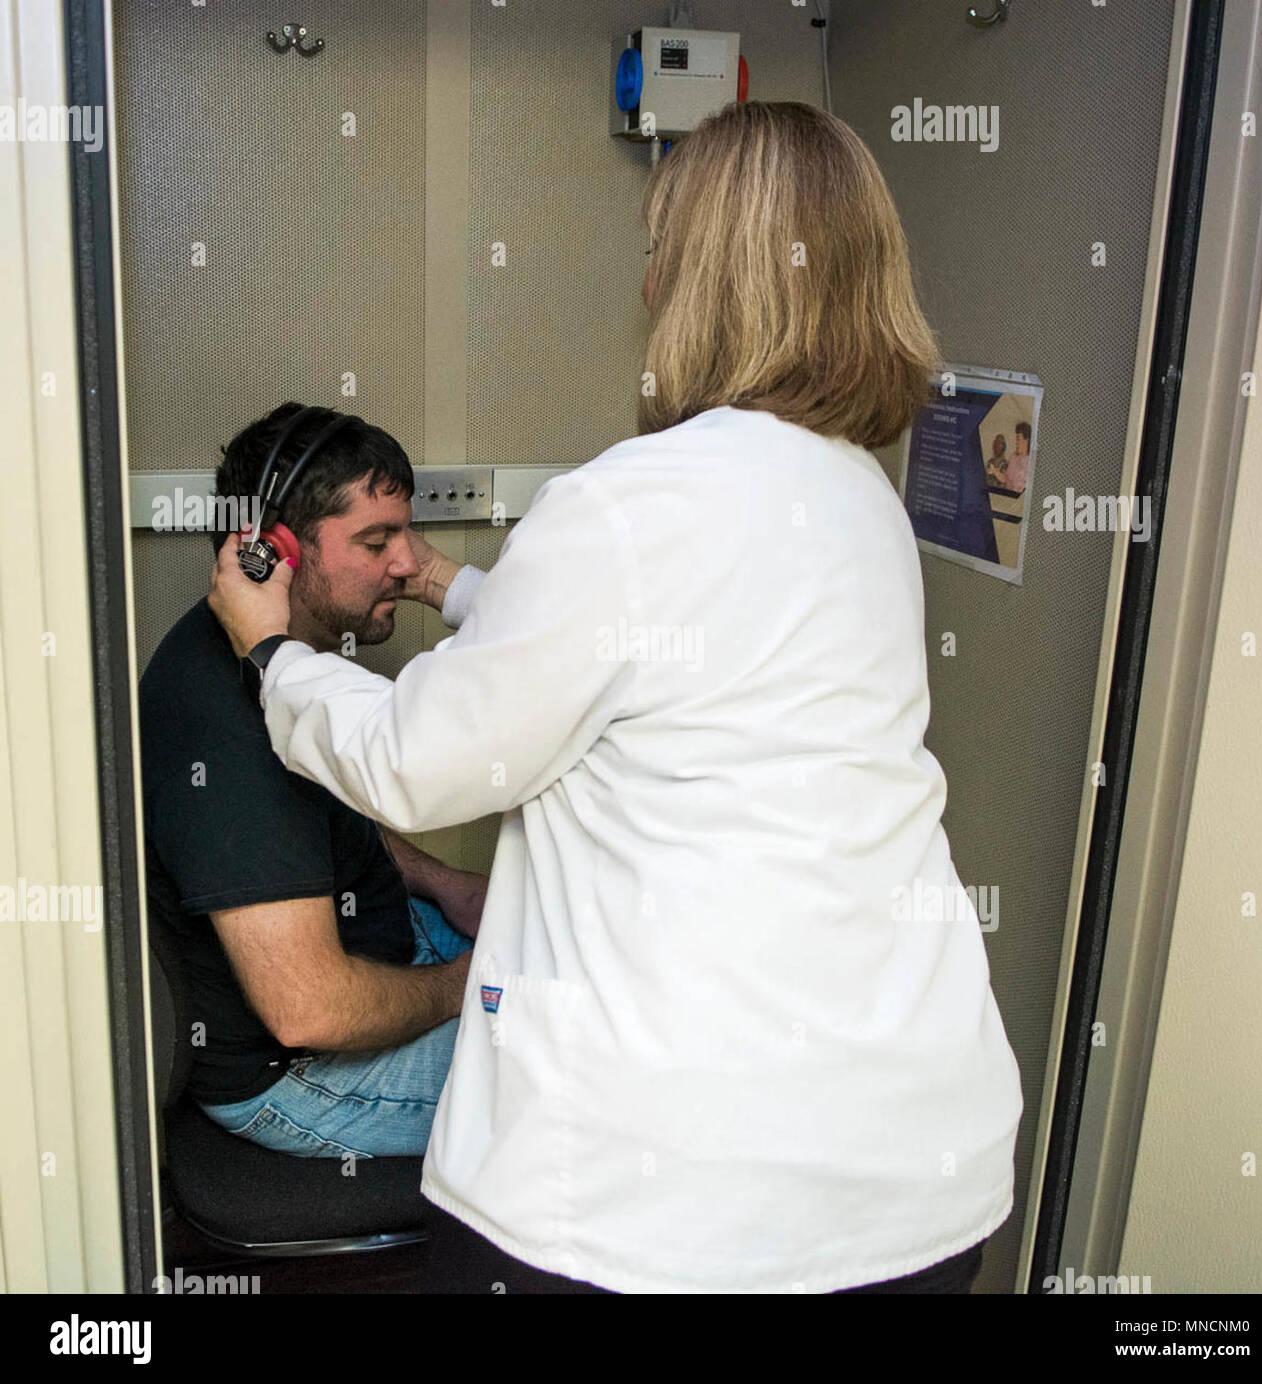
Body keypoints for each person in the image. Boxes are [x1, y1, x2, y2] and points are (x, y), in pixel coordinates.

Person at [208, 101, 1024, 1293]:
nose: (647, 280)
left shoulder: (627, 507)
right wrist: (449, 581)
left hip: (667, 1203)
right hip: (917, 1166)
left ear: (697, 281)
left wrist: (274, 655)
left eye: (662, 249)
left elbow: (419, 758)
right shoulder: (856, 501)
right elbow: (667, 664)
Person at [141, 404, 494, 1158]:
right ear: (278, 553)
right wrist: (466, 984)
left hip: (383, 951)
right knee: (590, 1068)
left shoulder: (283, 667)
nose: (410, 561)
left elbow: (317, 824)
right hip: (303, 1072)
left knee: (577, 969)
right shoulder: (219, 723)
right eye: (378, 540)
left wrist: (440, 882)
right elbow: (310, 1009)